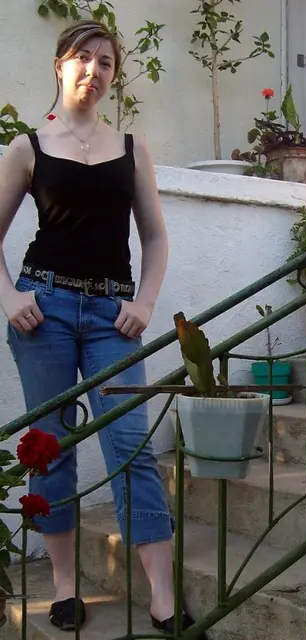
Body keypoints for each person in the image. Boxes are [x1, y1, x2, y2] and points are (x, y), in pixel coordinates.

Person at [0, 19, 203, 636]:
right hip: (44, 312)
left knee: (131, 445)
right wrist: (8, 297)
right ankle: (65, 587)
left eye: (106, 62)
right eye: (82, 58)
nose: (94, 70)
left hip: (115, 315)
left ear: (115, 74)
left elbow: (156, 237)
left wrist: (146, 302)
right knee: (50, 447)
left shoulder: (131, 147)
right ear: (60, 65)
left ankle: (162, 597)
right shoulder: (29, 148)